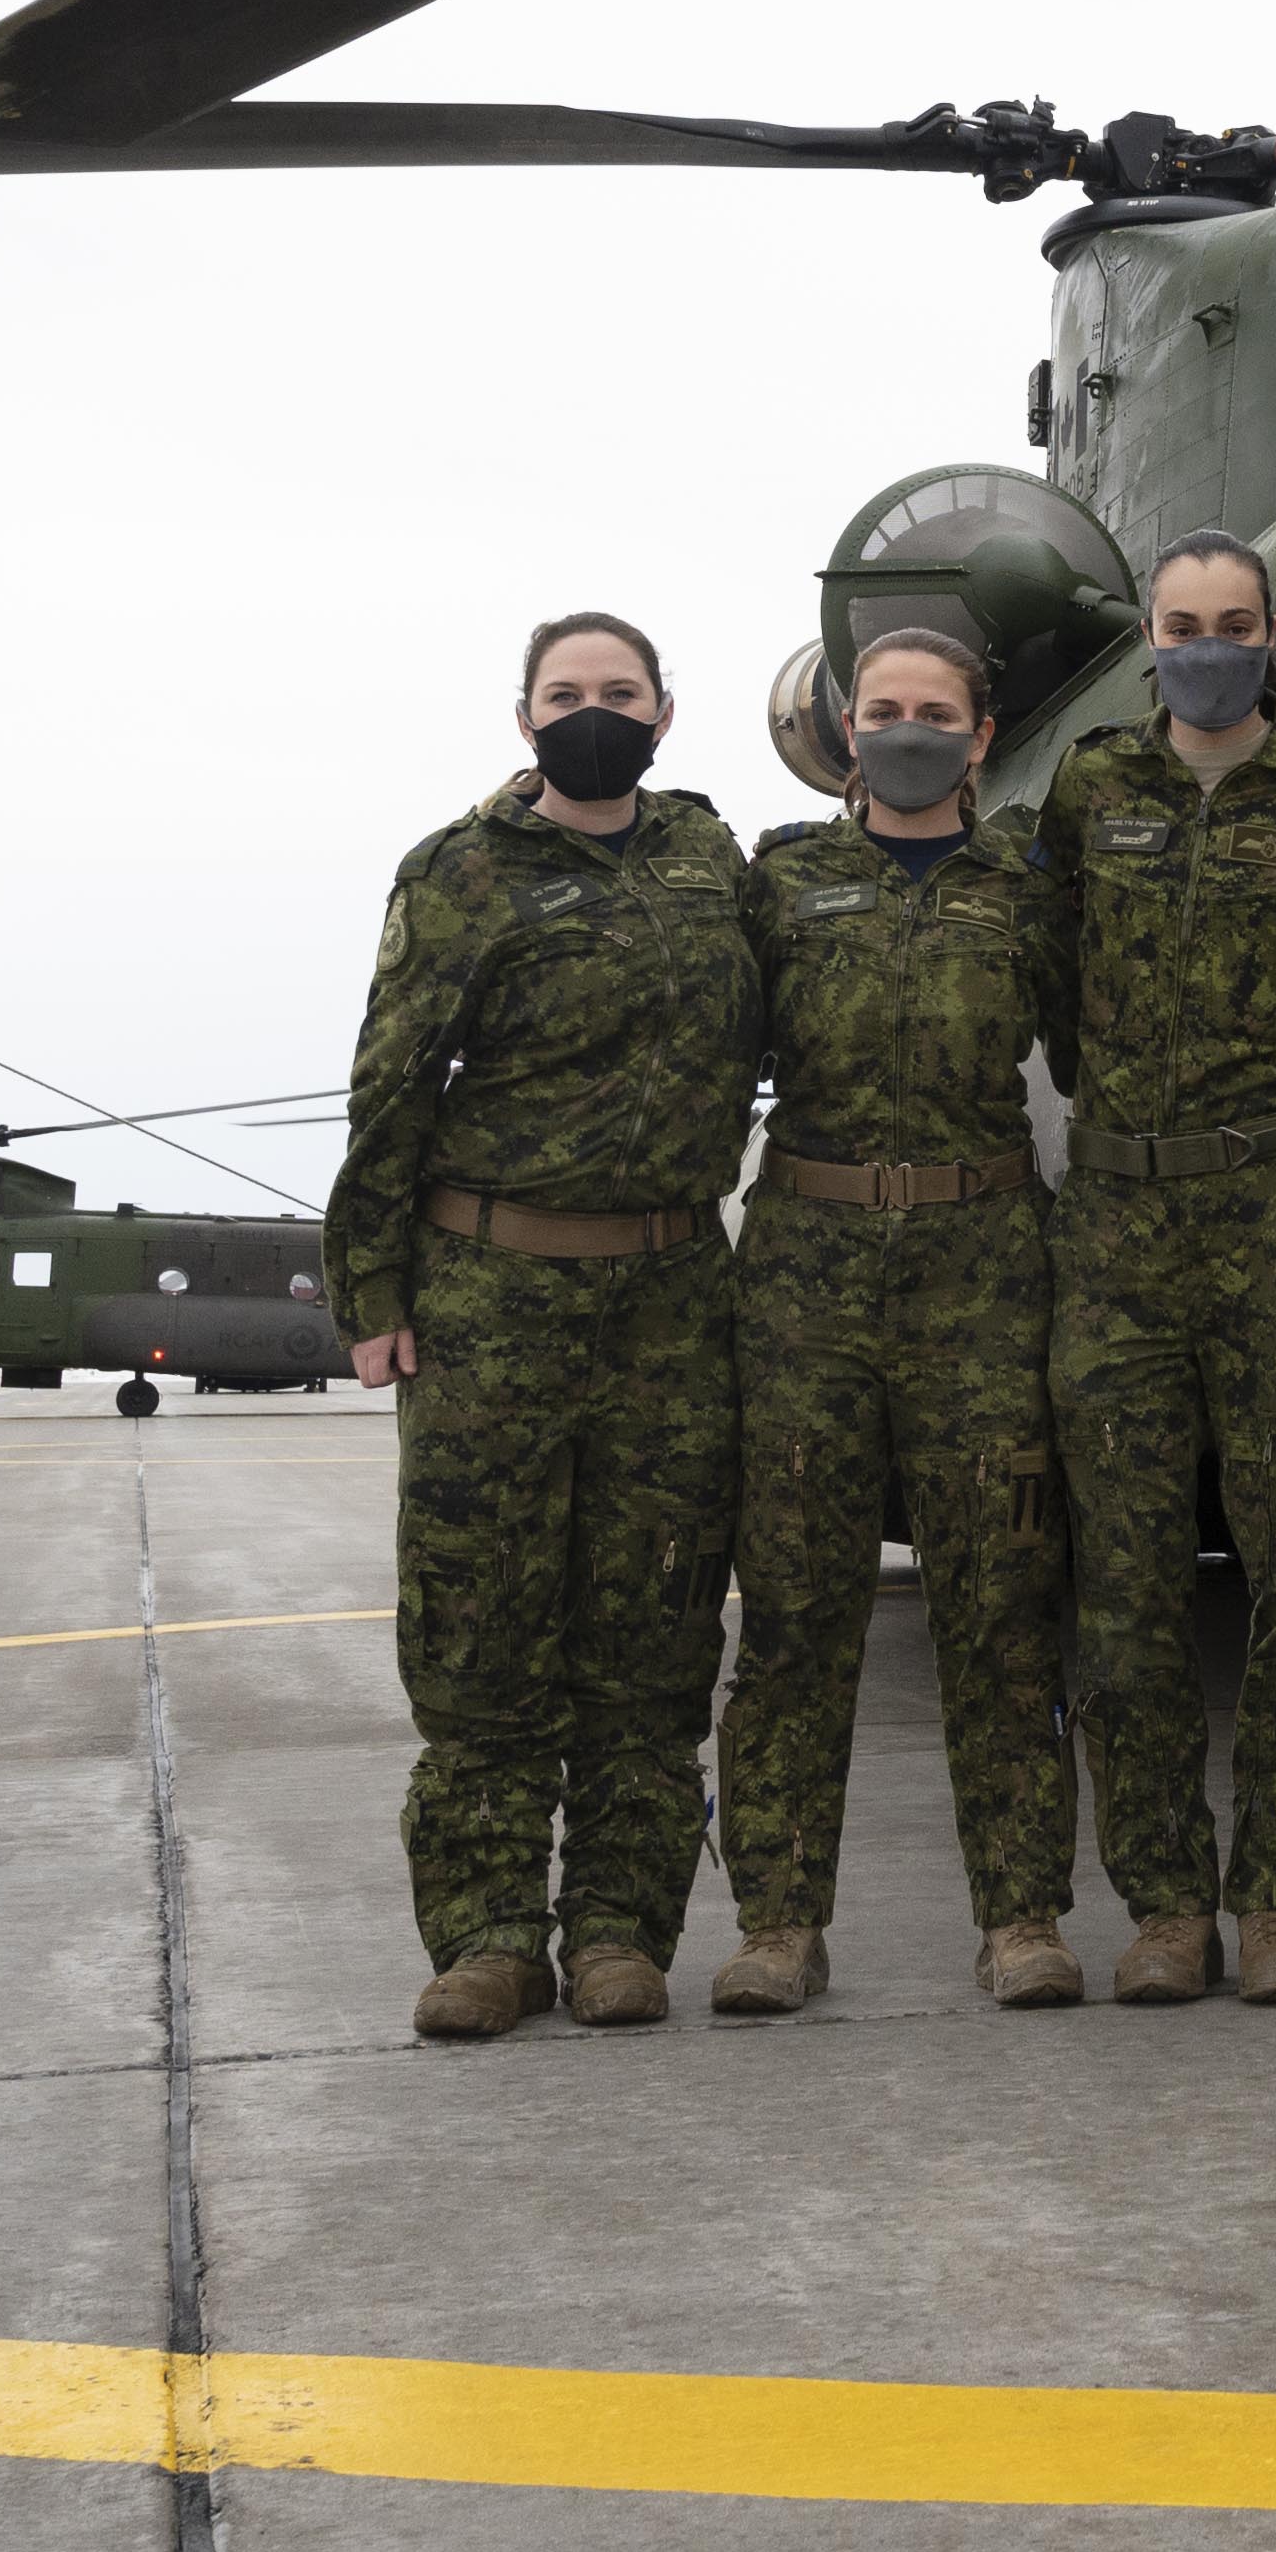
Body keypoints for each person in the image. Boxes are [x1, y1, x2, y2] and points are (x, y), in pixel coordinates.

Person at [330, 612, 754, 2042]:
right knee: (483, 1632)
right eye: (567, 695)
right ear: (524, 720)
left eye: (619, 693)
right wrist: (370, 1291)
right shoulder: (458, 872)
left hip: (670, 1298)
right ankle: (491, 1936)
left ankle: (623, 1931)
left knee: (652, 1623)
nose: (595, 713)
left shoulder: (711, 862)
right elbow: (389, 1086)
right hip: (488, 1290)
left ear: (665, 713)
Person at [1031, 529, 1276, 2006]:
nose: (1210, 644)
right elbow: (1058, 972)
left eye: (1236, 622)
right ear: (1150, 635)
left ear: (1273, 636)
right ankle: (1162, 1907)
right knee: (1122, 1589)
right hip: (1120, 1230)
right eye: (1184, 622)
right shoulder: (1091, 788)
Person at [710, 625, 1088, 2015]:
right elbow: (693, 1044)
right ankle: (778, 1925)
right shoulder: (779, 884)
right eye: (885, 710)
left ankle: (1024, 1918)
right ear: (845, 730)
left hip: (982, 1268)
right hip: (807, 1272)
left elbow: (1124, 1032)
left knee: (1002, 1610)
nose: (909, 728)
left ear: (981, 735)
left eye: (937, 711)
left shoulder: (1031, 892)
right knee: (800, 1621)